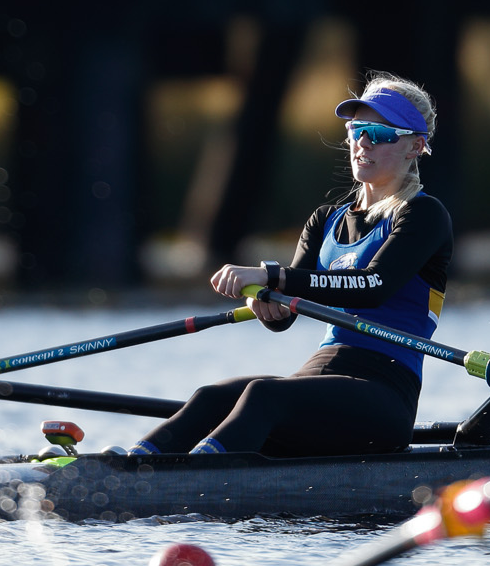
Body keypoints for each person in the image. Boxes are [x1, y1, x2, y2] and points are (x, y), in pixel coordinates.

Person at [126, 74, 452, 457]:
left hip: (384, 393)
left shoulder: (424, 214)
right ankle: (130, 465)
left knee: (264, 395)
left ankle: (192, 478)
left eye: (379, 134)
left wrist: (272, 276)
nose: (362, 143)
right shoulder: (325, 220)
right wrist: (269, 302)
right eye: (356, 129)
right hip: (318, 378)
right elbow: (283, 316)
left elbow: (373, 286)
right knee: (212, 397)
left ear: (415, 146)